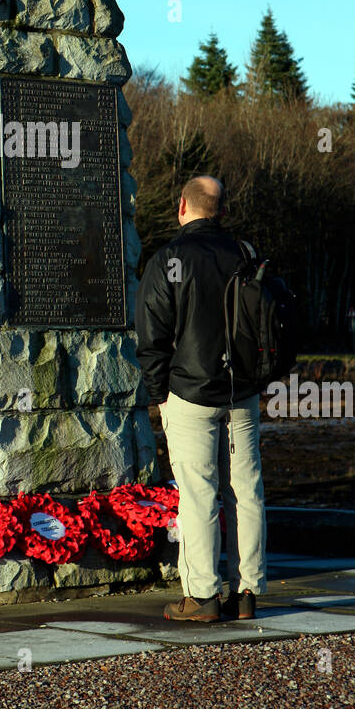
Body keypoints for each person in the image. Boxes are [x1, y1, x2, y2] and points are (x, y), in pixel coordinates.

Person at [134, 175, 267, 623]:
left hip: (189, 393)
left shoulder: (169, 258)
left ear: (181, 207)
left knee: (198, 495)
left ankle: (202, 597)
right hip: (243, 393)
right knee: (245, 492)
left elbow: (151, 337)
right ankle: (247, 593)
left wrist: (160, 397)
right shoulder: (246, 255)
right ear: (223, 211)